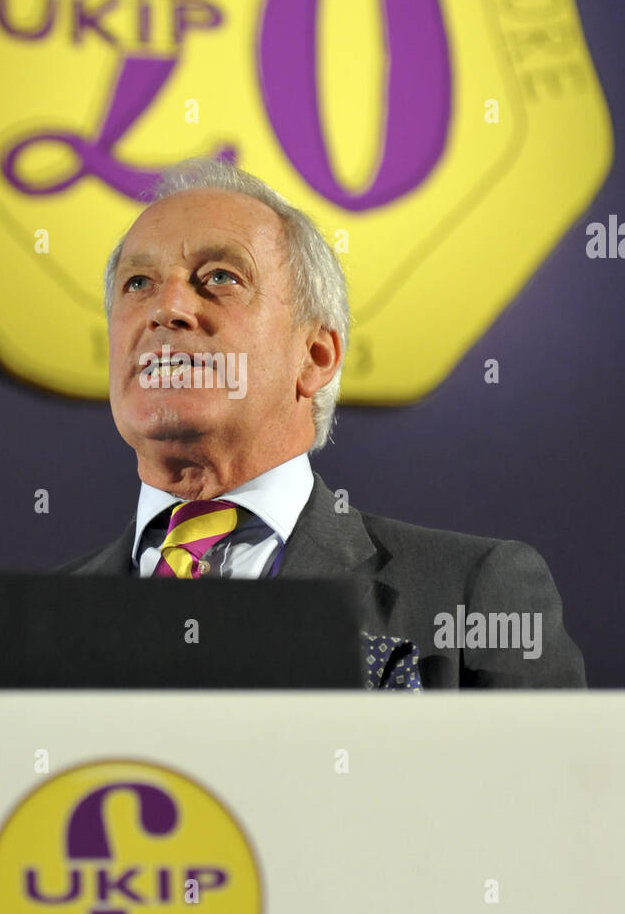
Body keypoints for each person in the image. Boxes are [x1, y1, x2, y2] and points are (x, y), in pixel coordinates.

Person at [55, 157, 585, 690]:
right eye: (138, 282)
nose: (166, 309)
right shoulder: (36, 615)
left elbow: (549, 776)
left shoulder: (471, 593)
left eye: (220, 277)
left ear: (314, 356)